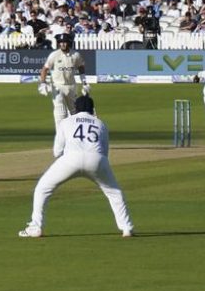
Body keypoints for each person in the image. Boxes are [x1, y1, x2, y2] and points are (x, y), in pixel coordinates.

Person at [20, 95, 133, 239]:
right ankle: (127, 228)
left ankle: (35, 227)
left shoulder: (66, 122)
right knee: (114, 193)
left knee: (42, 188)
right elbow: (105, 151)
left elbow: (57, 151)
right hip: (97, 159)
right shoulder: (101, 123)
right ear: (92, 109)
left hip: (70, 159)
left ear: (75, 108)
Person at [40, 32, 89, 127]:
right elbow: (45, 69)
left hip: (71, 86)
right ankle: (60, 135)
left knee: (74, 111)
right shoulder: (54, 55)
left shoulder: (76, 55)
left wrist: (84, 82)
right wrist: (43, 83)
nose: (62, 44)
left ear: (69, 43)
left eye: (65, 42)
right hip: (57, 86)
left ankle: (74, 132)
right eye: (60, 42)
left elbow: (81, 67)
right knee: (60, 111)